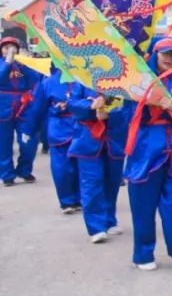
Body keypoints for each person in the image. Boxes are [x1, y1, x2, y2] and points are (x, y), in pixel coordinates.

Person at [127, 37, 172, 271]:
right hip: (146, 147)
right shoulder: (138, 82)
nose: (169, 58)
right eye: (165, 53)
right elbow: (126, 114)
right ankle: (143, 254)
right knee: (143, 204)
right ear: (154, 55)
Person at [69, 89, 131, 242]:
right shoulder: (82, 82)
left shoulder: (122, 84)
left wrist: (109, 113)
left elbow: (129, 110)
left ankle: (110, 219)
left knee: (112, 181)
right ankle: (96, 226)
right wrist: (91, 106)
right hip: (87, 139)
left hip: (115, 139)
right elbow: (72, 104)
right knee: (91, 182)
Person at [26, 67, 81, 213]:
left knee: (82, 165)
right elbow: (38, 109)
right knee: (61, 166)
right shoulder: (49, 82)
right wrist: (29, 130)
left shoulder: (86, 78)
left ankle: (80, 199)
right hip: (59, 127)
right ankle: (67, 201)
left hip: (83, 126)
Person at [0, 37, 39, 186]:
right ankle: (7, 174)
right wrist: (8, 62)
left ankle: (24, 170)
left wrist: (25, 65)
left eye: (12, 47)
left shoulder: (22, 66)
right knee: (3, 144)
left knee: (29, 141)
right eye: (6, 47)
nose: (9, 50)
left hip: (24, 107)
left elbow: (35, 81)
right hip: (3, 107)